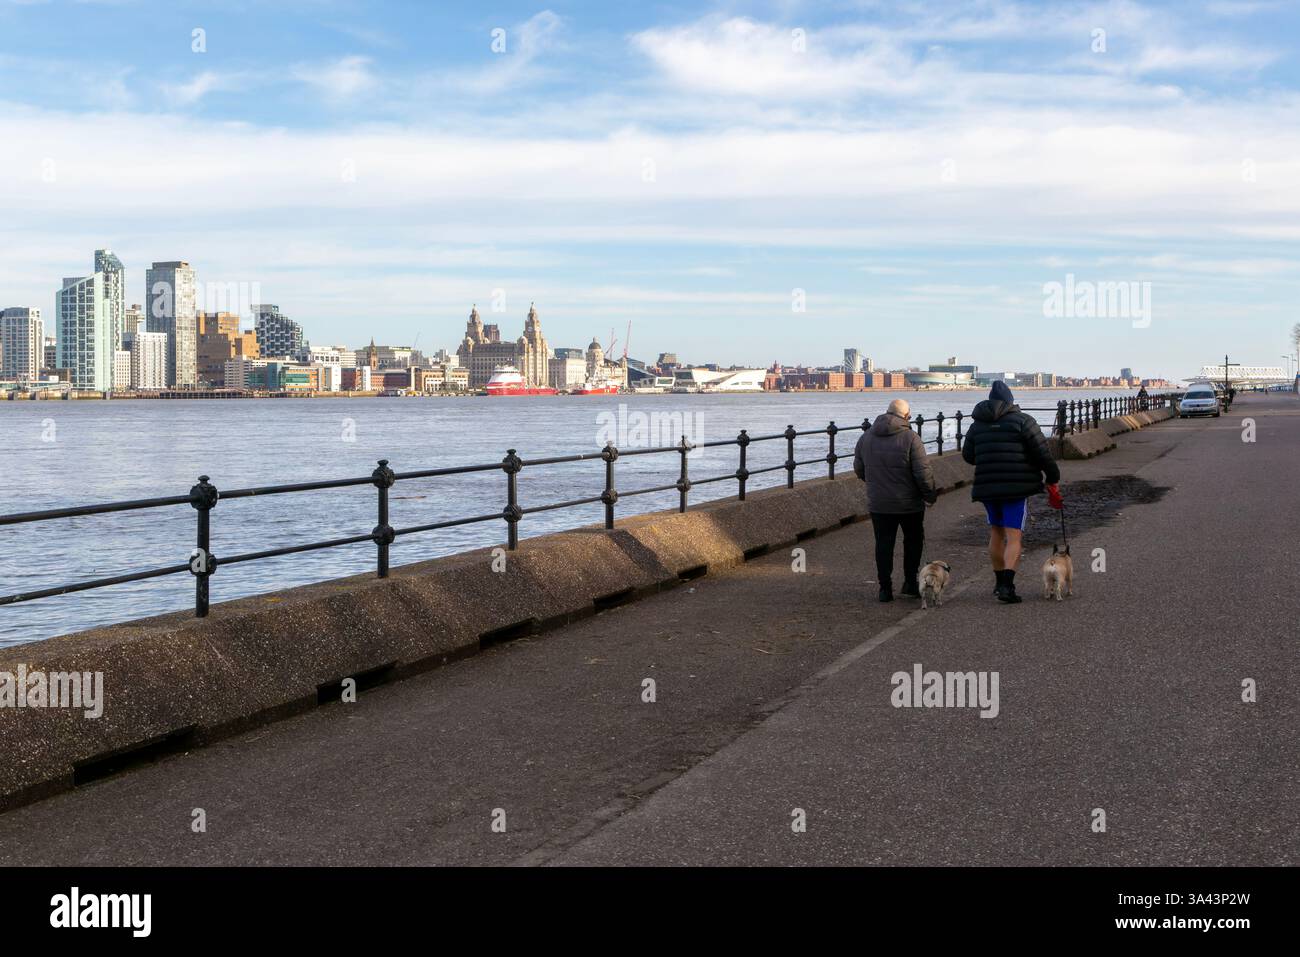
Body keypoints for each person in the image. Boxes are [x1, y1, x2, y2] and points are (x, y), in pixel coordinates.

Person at [961, 381, 1061, 604]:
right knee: (1014, 536)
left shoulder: (977, 425)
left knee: (996, 533)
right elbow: (1042, 454)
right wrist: (1052, 478)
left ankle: (998, 583)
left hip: (987, 487)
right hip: (1016, 488)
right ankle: (1007, 586)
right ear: (1010, 401)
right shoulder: (1023, 421)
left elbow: (968, 456)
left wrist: (989, 456)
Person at [853, 398, 937, 602]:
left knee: (883, 544)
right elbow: (922, 473)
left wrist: (875, 484)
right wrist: (929, 495)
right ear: (906, 416)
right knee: (913, 542)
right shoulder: (911, 438)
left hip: (879, 503)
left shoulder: (866, 437)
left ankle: (884, 589)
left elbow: (859, 468)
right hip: (909, 503)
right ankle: (909, 583)